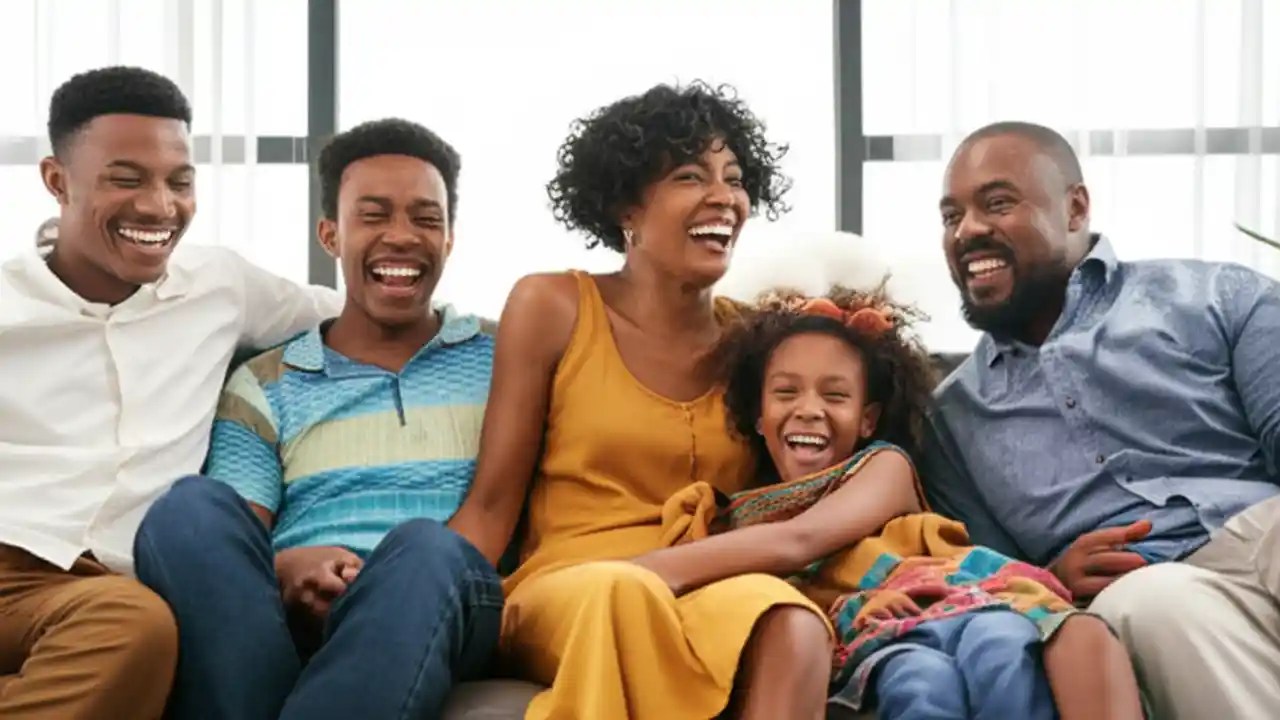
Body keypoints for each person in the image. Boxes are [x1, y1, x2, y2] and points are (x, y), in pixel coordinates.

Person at [446, 81, 831, 719]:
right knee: (622, 594)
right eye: (689, 175)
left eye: (734, 178)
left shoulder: (757, 342)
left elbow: (807, 481)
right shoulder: (554, 306)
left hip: (703, 581)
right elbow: (490, 508)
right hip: (572, 587)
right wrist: (405, 596)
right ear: (627, 207)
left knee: (791, 619)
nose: (724, 197)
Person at [133, 119, 503, 720]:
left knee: (423, 548)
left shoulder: (504, 357)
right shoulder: (267, 383)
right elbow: (235, 547)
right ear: (331, 234)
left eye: (426, 219)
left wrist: (383, 577)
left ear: (451, 238)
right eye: (374, 215)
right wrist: (288, 568)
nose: (402, 236)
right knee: (186, 509)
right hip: (300, 617)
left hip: (445, 600)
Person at [0, 65, 338, 719]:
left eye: (179, 182)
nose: (159, 206)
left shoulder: (219, 285)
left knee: (134, 630)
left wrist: (524, 339)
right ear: (56, 180)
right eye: (125, 179)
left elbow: (358, 316)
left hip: (105, 597)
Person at [646, 287, 1143, 720]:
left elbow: (801, 541)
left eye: (835, 395)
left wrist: (639, 570)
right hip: (880, 634)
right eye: (786, 392)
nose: (809, 409)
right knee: (919, 684)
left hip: (963, 599)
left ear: (867, 420)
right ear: (758, 415)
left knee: (1000, 653)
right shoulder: (734, 518)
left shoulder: (882, 467)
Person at [923, 120, 1280, 719]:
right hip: (1152, 589)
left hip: (1263, 528)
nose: (969, 230)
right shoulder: (950, 419)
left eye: (998, 203)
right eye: (950, 215)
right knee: (1149, 607)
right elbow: (989, 575)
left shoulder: (1219, 296)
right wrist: (1050, 574)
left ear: (1075, 208)